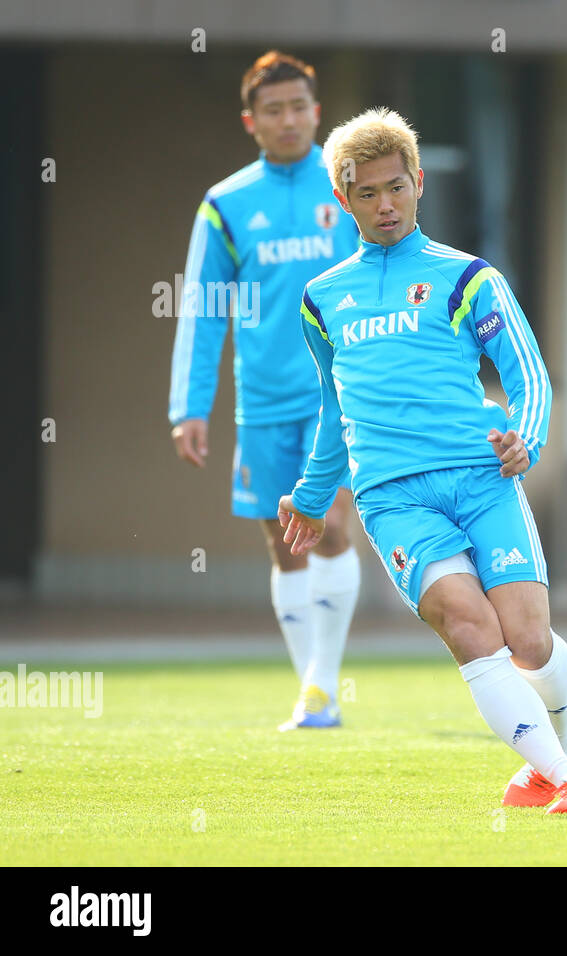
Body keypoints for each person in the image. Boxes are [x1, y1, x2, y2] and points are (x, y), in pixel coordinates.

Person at [276, 107, 567, 813]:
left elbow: (529, 376)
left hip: (481, 478)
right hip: (393, 497)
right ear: (343, 200)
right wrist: (311, 495)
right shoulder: (320, 300)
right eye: (366, 193)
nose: (385, 204)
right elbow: (335, 411)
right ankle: (566, 778)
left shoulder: (468, 279)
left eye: (396, 187)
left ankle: (560, 736)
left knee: (529, 641)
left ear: (419, 182)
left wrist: (526, 437)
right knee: (468, 625)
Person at [168, 51, 361, 730]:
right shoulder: (225, 205)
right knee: (287, 543)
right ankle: (315, 692)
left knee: (331, 526)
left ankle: (322, 685)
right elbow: (203, 308)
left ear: (317, 111)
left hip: (337, 396)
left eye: (300, 107)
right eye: (273, 110)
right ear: (252, 121)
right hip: (263, 402)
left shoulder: (350, 187)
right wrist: (189, 406)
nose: (289, 120)